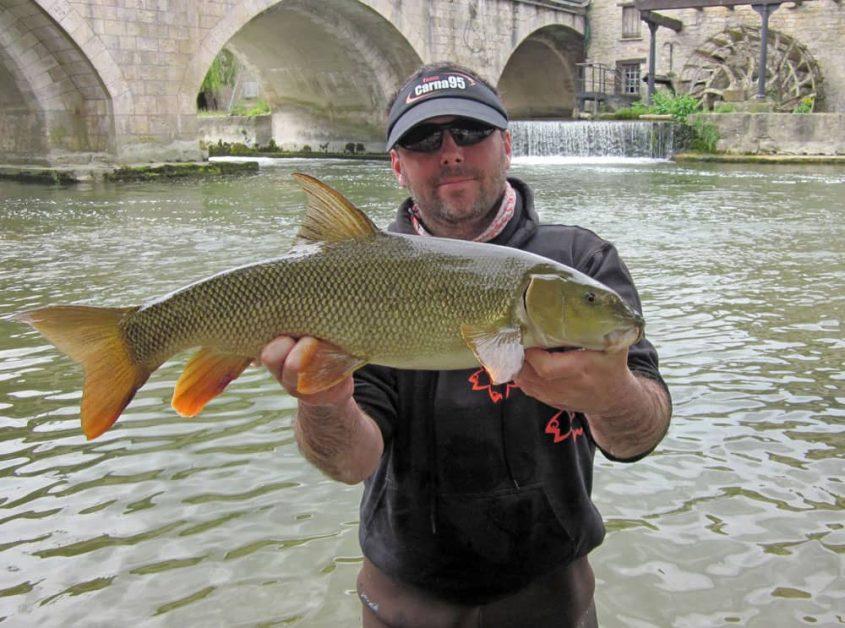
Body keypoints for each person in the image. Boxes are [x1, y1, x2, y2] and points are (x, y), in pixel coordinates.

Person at [260, 62, 672, 627]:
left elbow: (640, 436)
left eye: (471, 133)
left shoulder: (582, 266)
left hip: (550, 588)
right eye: (425, 139)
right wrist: (323, 399)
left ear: (506, 144)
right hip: (407, 593)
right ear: (397, 166)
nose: (451, 152)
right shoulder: (362, 280)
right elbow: (351, 461)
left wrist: (612, 393)